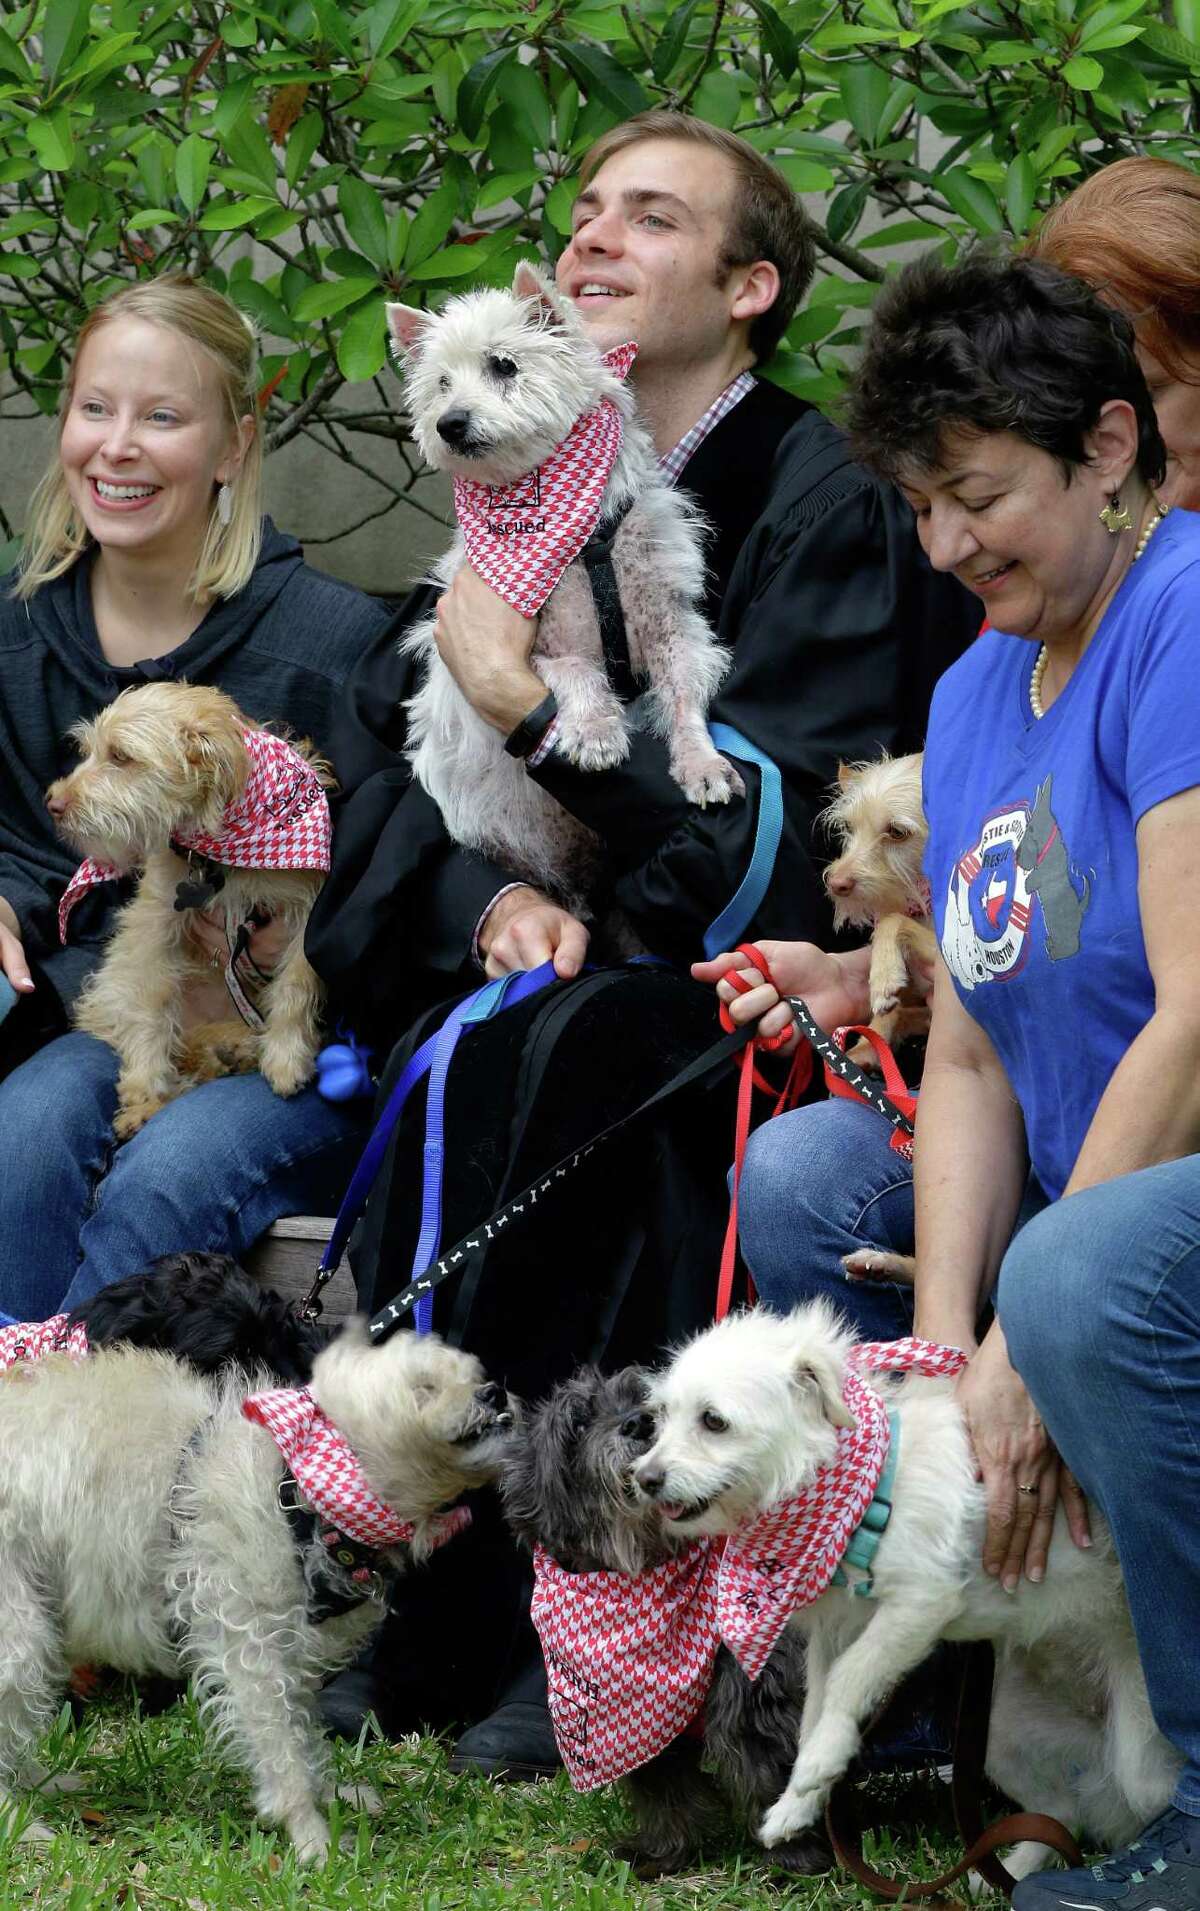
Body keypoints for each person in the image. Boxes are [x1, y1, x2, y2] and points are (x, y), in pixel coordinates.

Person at [306, 111, 978, 1771]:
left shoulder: (821, 500)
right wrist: (495, 903)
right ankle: (427, 1578)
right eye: (585, 209)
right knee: (497, 1025)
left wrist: (538, 722)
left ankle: (589, 1589)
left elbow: (779, 829)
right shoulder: (516, 480)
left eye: (652, 219)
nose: (594, 238)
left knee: (593, 1039)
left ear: (752, 287)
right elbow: (406, 774)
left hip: (753, 990)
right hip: (561, 965)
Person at [716, 252, 1200, 1908]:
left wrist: (1023, 1335)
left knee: (1072, 1271)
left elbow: (1196, 1007)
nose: (947, 545)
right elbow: (977, 1047)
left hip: (1166, 1179)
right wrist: (942, 1349)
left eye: (982, 495)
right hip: (1095, 1188)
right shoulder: (976, 688)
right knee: (801, 1182)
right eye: (923, 505)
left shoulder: (1188, 619)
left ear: (1112, 447)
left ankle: (1193, 1794)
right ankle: (950, 1685)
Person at [0, 276, 389, 1319]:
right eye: (95, 409)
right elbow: (18, 844)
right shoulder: (16, 630)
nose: (117, 446)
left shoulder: (333, 645)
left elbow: (393, 875)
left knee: (163, 1178)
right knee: (23, 1140)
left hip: (296, 1052)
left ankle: (90, 1442)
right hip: (110, 1013)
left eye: (162, 417)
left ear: (233, 446)